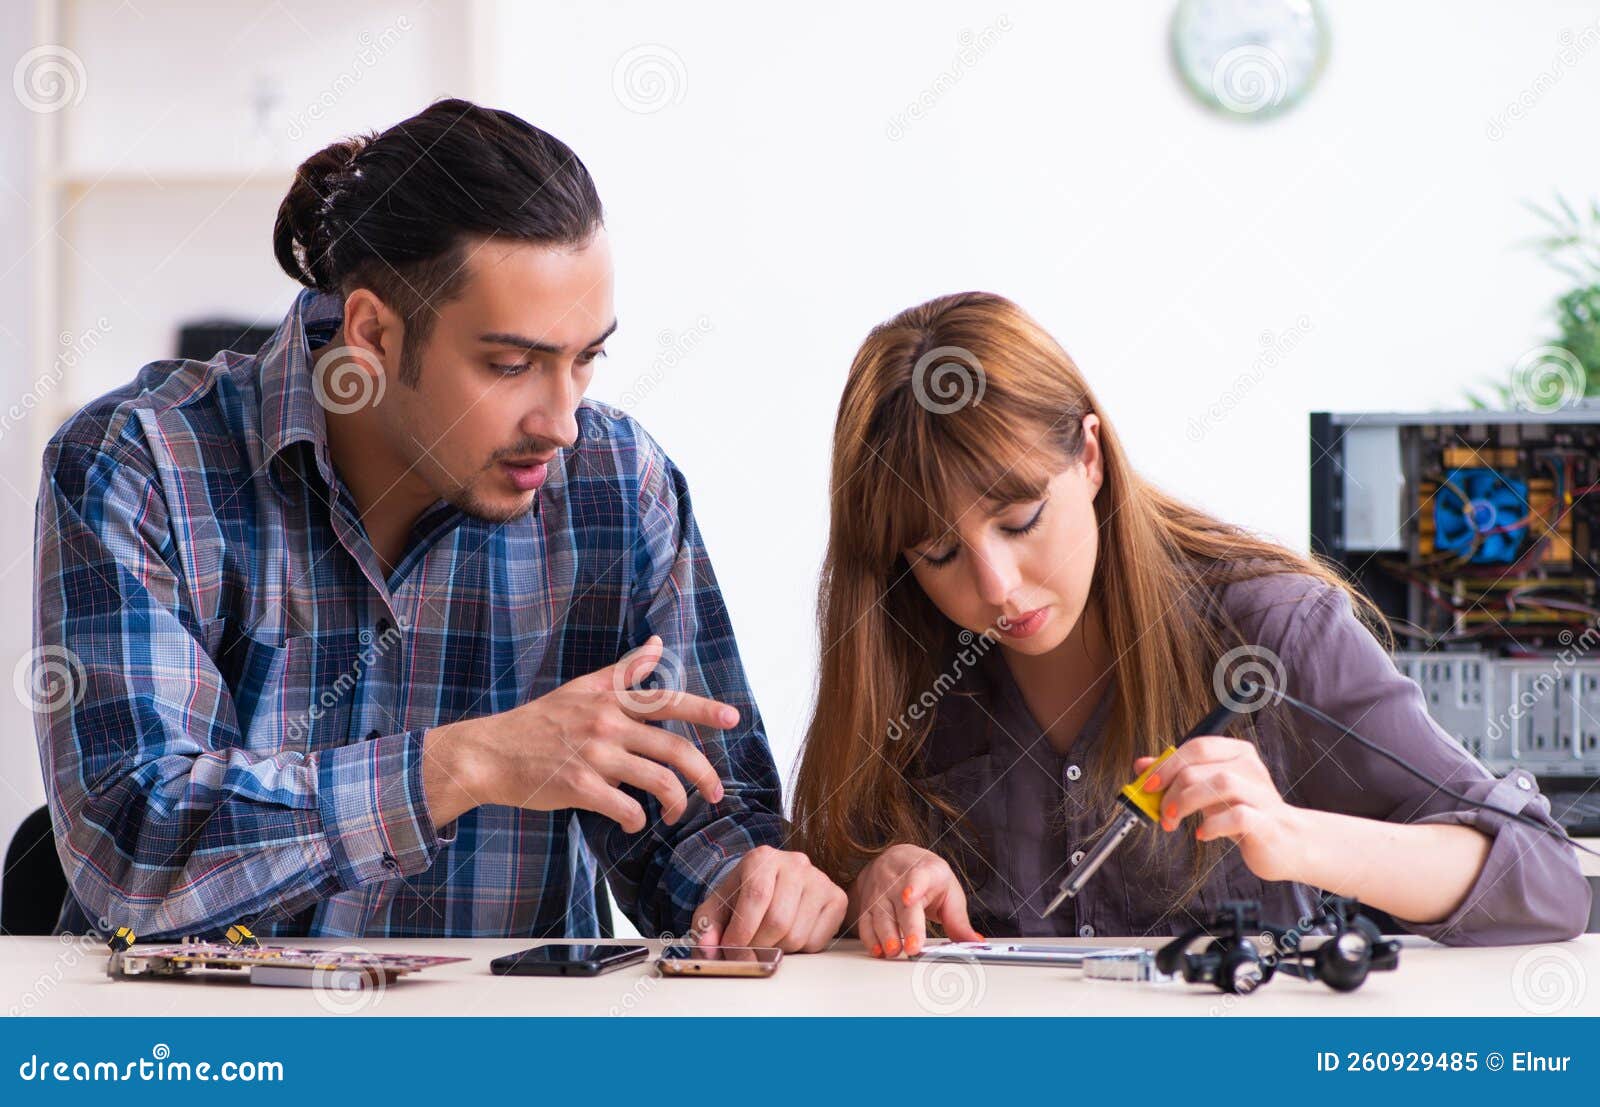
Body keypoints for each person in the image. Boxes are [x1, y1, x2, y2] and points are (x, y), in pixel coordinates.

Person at [33, 99, 845, 950]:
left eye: (586, 358)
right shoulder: (141, 464)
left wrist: (752, 881)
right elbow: (132, 857)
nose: (562, 420)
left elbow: (700, 822)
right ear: (373, 333)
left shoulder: (616, 484)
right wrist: (465, 763)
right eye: (511, 364)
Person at [790, 291, 1591, 955]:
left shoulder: (1271, 629)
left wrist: (1296, 835)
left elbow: (1547, 884)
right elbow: (813, 892)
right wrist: (870, 879)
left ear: (1091, 458)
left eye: (1023, 518)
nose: (997, 586)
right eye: (937, 553)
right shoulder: (899, 658)